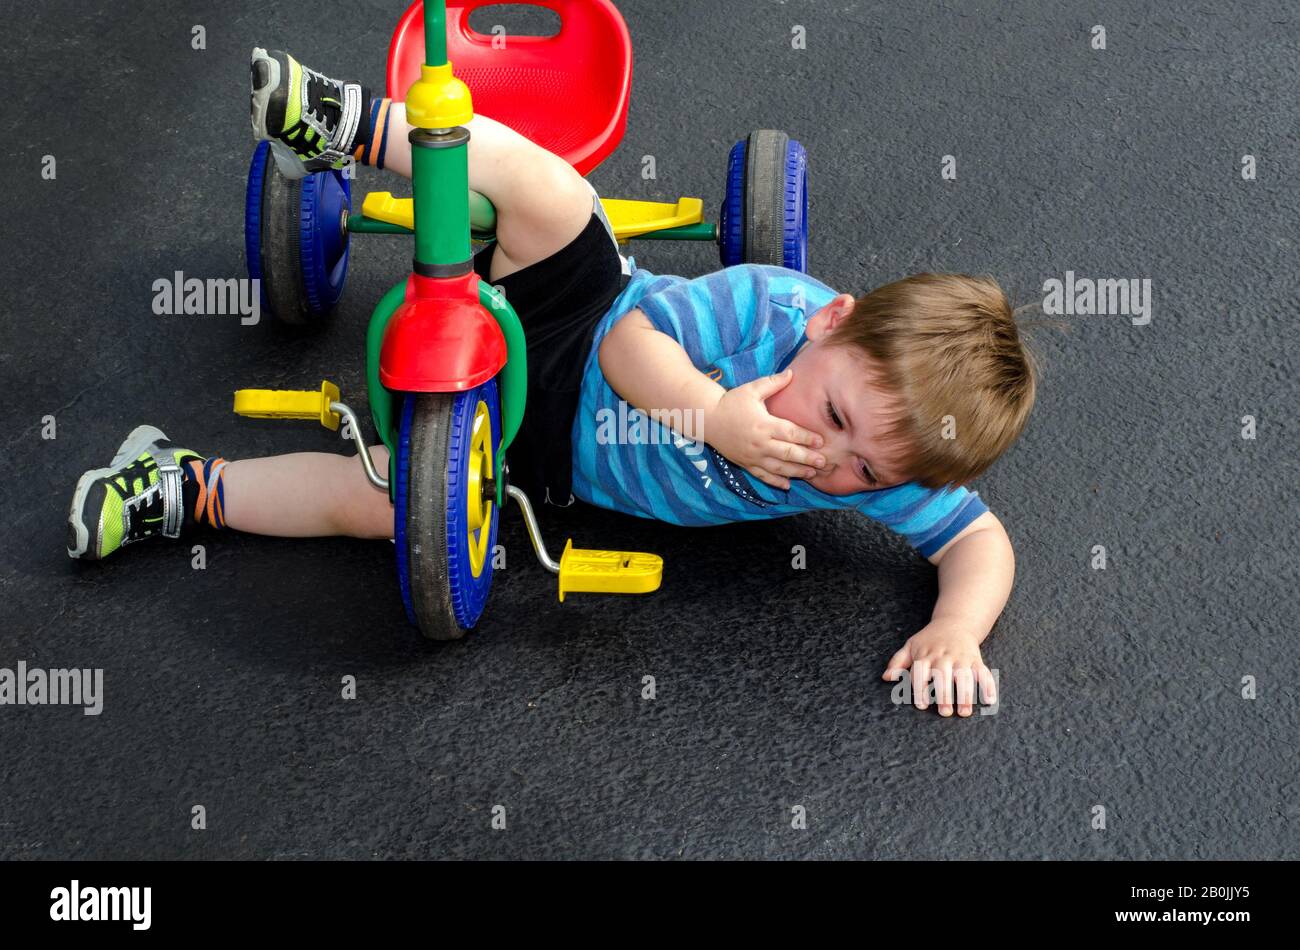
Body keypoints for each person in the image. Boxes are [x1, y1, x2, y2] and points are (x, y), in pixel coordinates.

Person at [67, 50, 1037, 717]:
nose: (830, 460)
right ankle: (354, 126)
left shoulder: (898, 445)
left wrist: (956, 627)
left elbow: (976, 536)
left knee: (389, 507)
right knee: (554, 195)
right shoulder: (773, 306)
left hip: (542, 461)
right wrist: (711, 415)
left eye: (863, 474)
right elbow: (632, 349)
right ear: (831, 323)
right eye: (832, 416)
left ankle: (186, 485)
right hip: (582, 322)